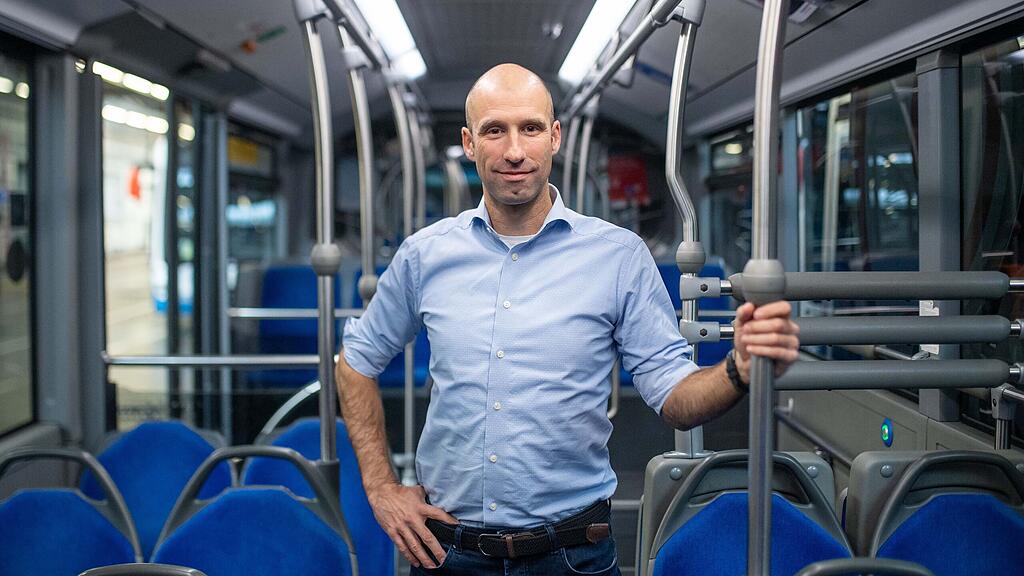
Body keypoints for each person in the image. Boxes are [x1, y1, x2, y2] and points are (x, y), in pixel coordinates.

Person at [336, 63, 800, 576]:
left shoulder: (618, 256)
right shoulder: (425, 256)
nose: (515, 151)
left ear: (554, 137)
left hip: (574, 553)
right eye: (495, 130)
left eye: (530, 128)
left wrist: (737, 368)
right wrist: (380, 488)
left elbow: (674, 397)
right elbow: (355, 361)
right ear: (470, 144)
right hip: (448, 551)